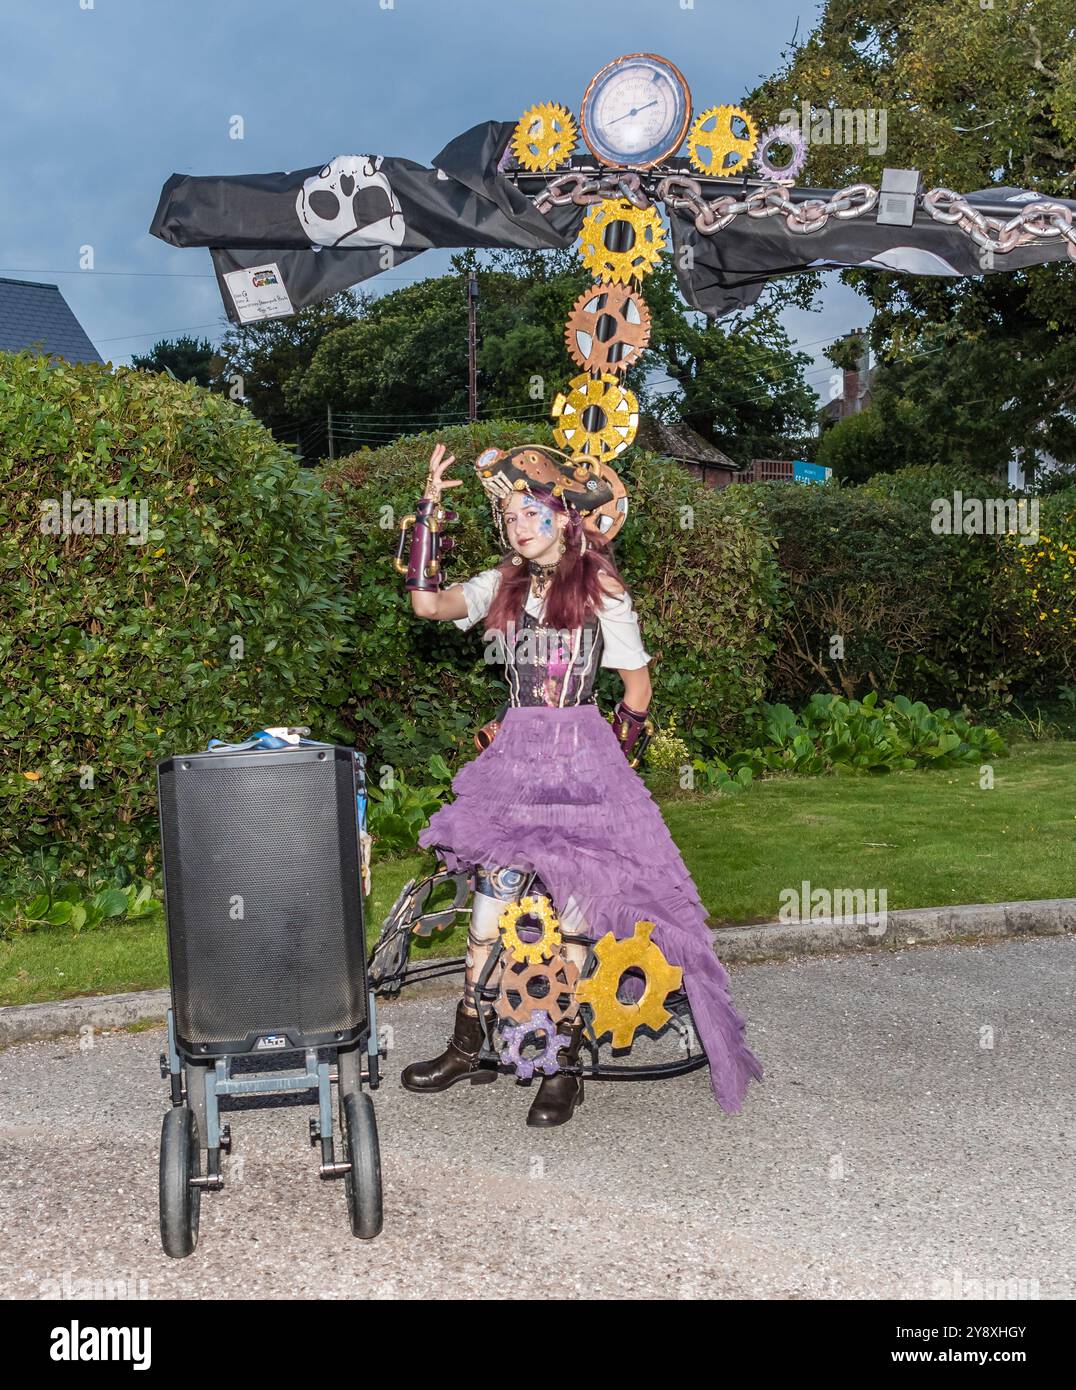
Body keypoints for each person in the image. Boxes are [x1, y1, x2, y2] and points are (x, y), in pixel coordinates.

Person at [395, 440, 763, 1126]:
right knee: (487, 914)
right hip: (514, 762)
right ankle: (467, 1043)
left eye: (529, 511)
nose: (517, 525)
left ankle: (563, 1066)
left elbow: (638, 687)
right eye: (507, 516)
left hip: (583, 759)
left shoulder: (601, 589)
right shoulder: (497, 584)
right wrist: (429, 514)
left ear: (563, 517)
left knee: (573, 919)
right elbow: (424, 605)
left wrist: (613, 770)